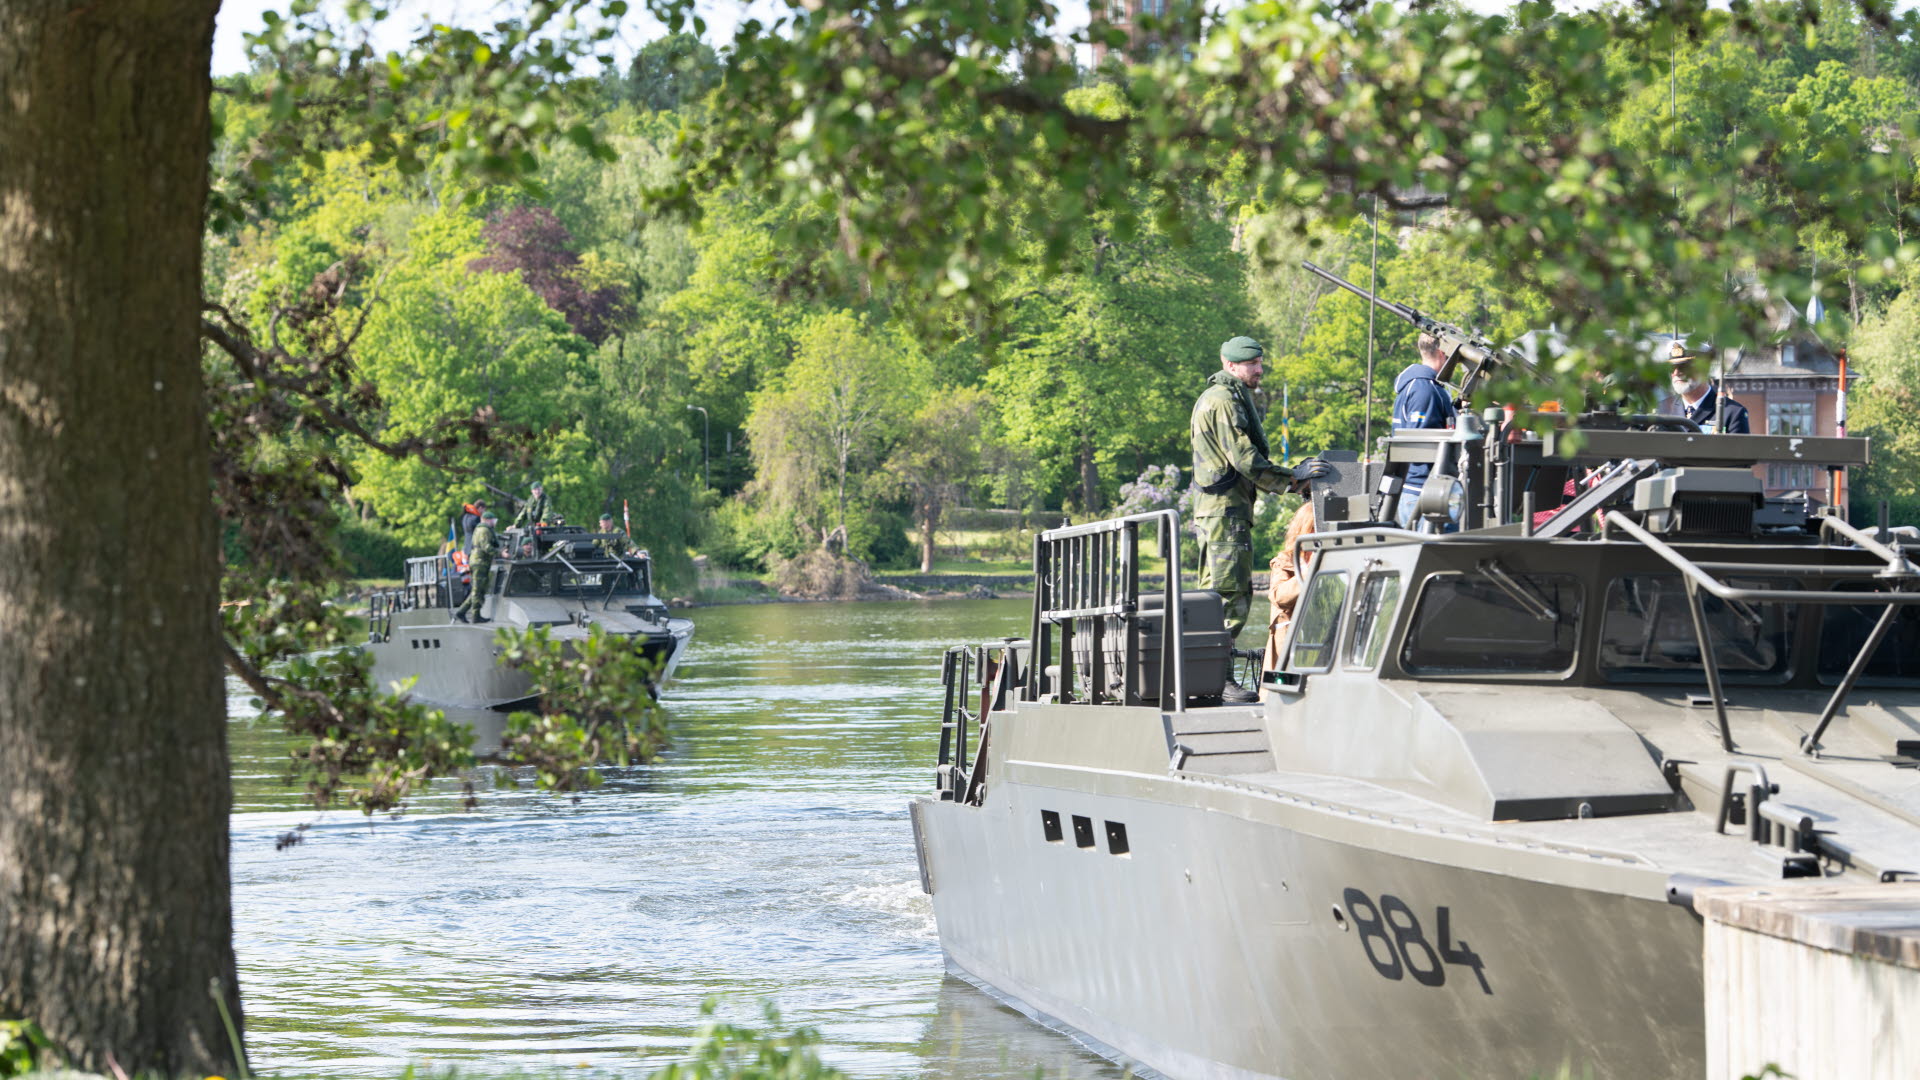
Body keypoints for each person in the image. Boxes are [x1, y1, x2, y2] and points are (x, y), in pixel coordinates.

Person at [1191, 335, 1298, 703]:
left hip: (1224, 513)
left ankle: (1210, 676)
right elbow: (1246, 459)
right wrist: (1294, 481)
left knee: (1219, 593)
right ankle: (1218, 681)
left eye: (1259, 362)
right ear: (1231, 365)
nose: (1259, 369)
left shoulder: (1225, 397)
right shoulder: (1223, 401)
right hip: (1225, 514)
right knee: (1228, 594)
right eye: (1252, 364)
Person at [1260, 459, 1332, 695]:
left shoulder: (1333, 558)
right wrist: (1308, 573)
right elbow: (1278, 597)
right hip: (1288, 651)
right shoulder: (1286, 561)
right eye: (1312, 530)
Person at [1392, 332, 1458, 528]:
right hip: (1424, 494)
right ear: (1443, 353)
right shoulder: (1425, 390)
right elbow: (1420, 446)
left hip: (1420, 492)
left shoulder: (1423, 386)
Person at [1663, 341, 1749, 434]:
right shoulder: (1663, 410)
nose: (1676, 373)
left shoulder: (1732, 413)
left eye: (1683, 367)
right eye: (1671, 368)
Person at [455, 511, 499, 623]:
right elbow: (486, 547)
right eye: (493, 520)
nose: (494, 522)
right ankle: (475, 616)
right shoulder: (484, 530)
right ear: (488, 520)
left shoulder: (480, 529)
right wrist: (500, 553)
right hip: (480, 562)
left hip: (479, 562)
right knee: (477, 590)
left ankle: (461, 612)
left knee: (478, 590)